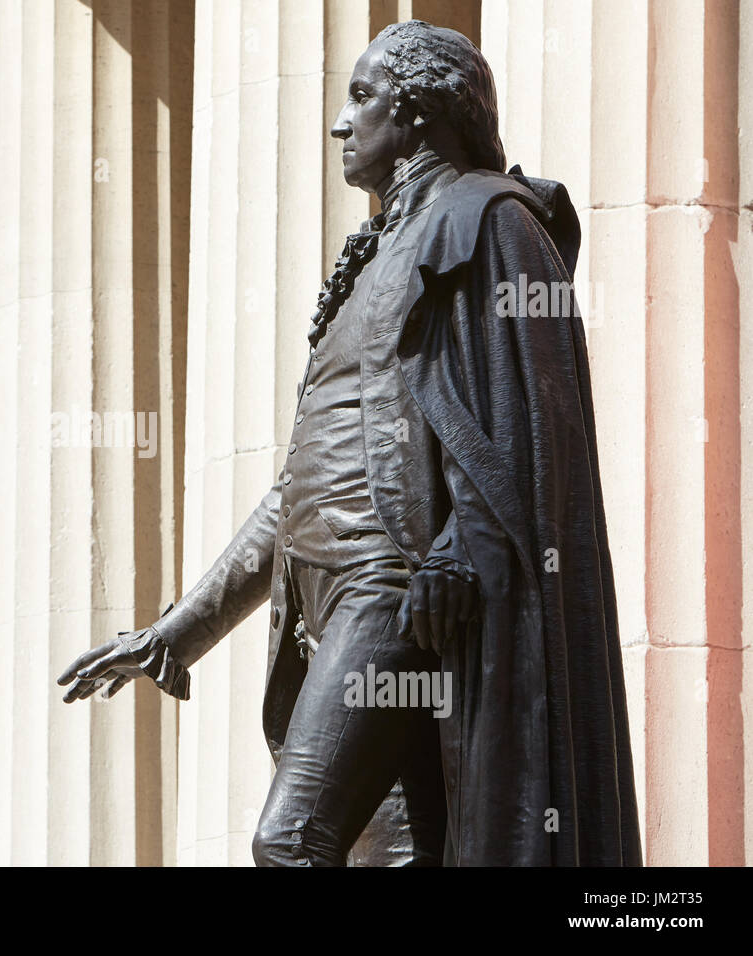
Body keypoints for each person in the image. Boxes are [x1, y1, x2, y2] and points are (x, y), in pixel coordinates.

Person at [58, 20, 641, 867]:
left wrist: (457, 551)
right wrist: (177, 630)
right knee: (395, 859)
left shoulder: (491, 221)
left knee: (289, 839)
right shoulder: (377, 257)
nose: (340, 122)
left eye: (361, 97)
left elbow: (527, 427)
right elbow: (302, 485)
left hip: (396, 585)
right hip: (323, 601)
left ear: (417, 114)